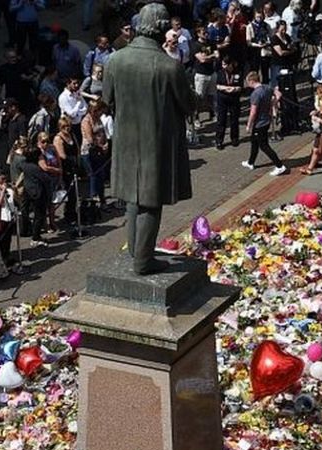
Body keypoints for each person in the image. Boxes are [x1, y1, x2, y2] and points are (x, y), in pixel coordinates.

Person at [104, 3, 196, 274]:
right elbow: (189, 105)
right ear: (161, 29)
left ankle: (136, 250)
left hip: (125, 142)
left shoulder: (115, 60)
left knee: (134, 198)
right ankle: (143, 260)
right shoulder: (169, 66)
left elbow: (107, 99)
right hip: (156, 142)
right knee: (151, 201)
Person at [242, 71, 288, 175]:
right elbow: (279, 94)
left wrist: (249, 125)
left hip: (259, 123)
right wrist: (273, 103)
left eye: (248, 82)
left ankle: (279, 166)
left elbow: (253, 112)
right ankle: (250, 162)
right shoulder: (267, 87)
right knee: (254, 141)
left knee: (263, 145)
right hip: (267, 120)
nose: (247, 84)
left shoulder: (255, 94)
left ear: (252, 81)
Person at [80, 100, 110, 212]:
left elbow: (103, 132)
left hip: (100, 151)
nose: (99, 112)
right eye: (96, 110)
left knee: (101, 176)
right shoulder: (86, 121)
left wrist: (106, 143)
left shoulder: (98, 119)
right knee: (93, 175)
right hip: (89, 152)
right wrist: (100, 146)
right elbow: (90, 139)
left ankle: (102, 201)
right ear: (91, 110)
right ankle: (93, 201)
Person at [214, 58, 243, 149]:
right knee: (221, 120)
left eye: (225, 64)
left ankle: (234, 138)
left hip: (234, 98)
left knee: (234, 119)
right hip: (222, 98)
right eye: (223, 64)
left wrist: (234, 89)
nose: (224, 67)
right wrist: (225, 88)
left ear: (230, 64)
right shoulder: (220, 73)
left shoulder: (238, 72)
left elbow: (241, 86)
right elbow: (217, 85)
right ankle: (219, 140)